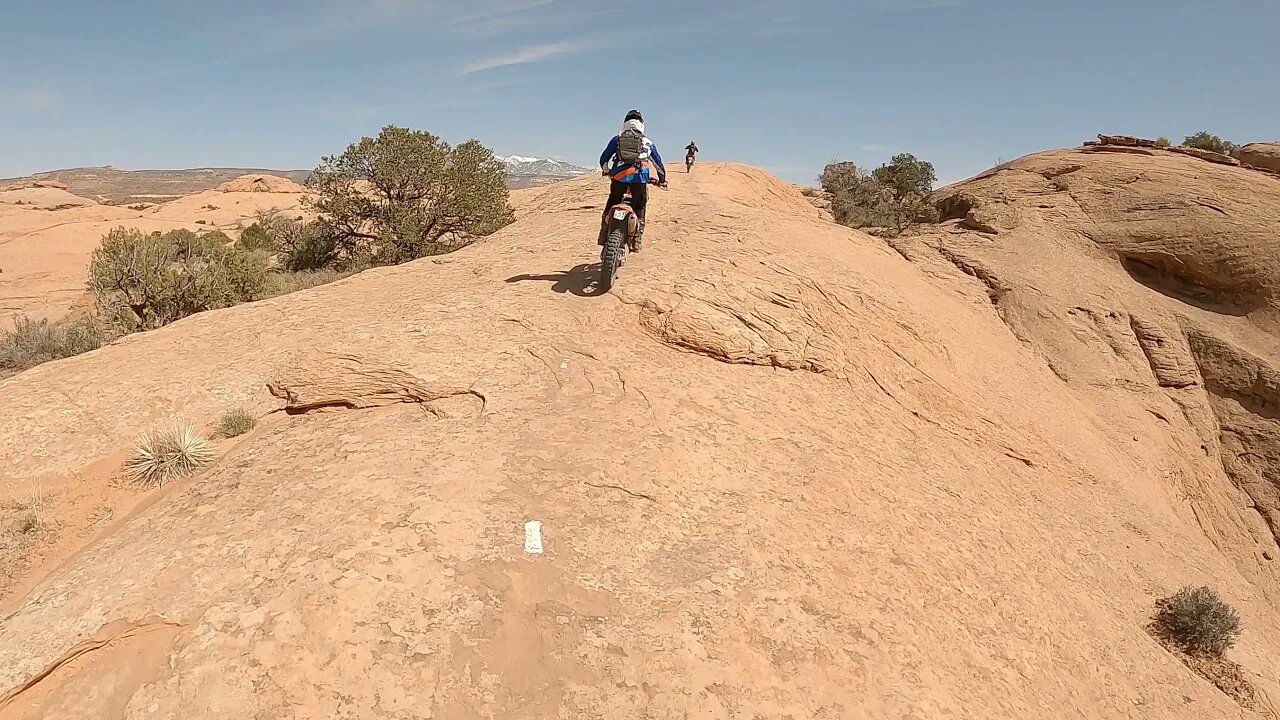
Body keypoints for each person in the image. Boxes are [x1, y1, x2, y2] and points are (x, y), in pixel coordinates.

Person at [598, 109, 666, 250]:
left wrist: (607, 171)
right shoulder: (647, 142)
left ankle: (604, 232)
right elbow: (658, 163)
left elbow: (603, 159)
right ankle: (636, 239)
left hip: (618, 178)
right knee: (640, 205)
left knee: (613, 200)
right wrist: (662, 179)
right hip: (639, 179)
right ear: (642, 124)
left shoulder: (617, 139)